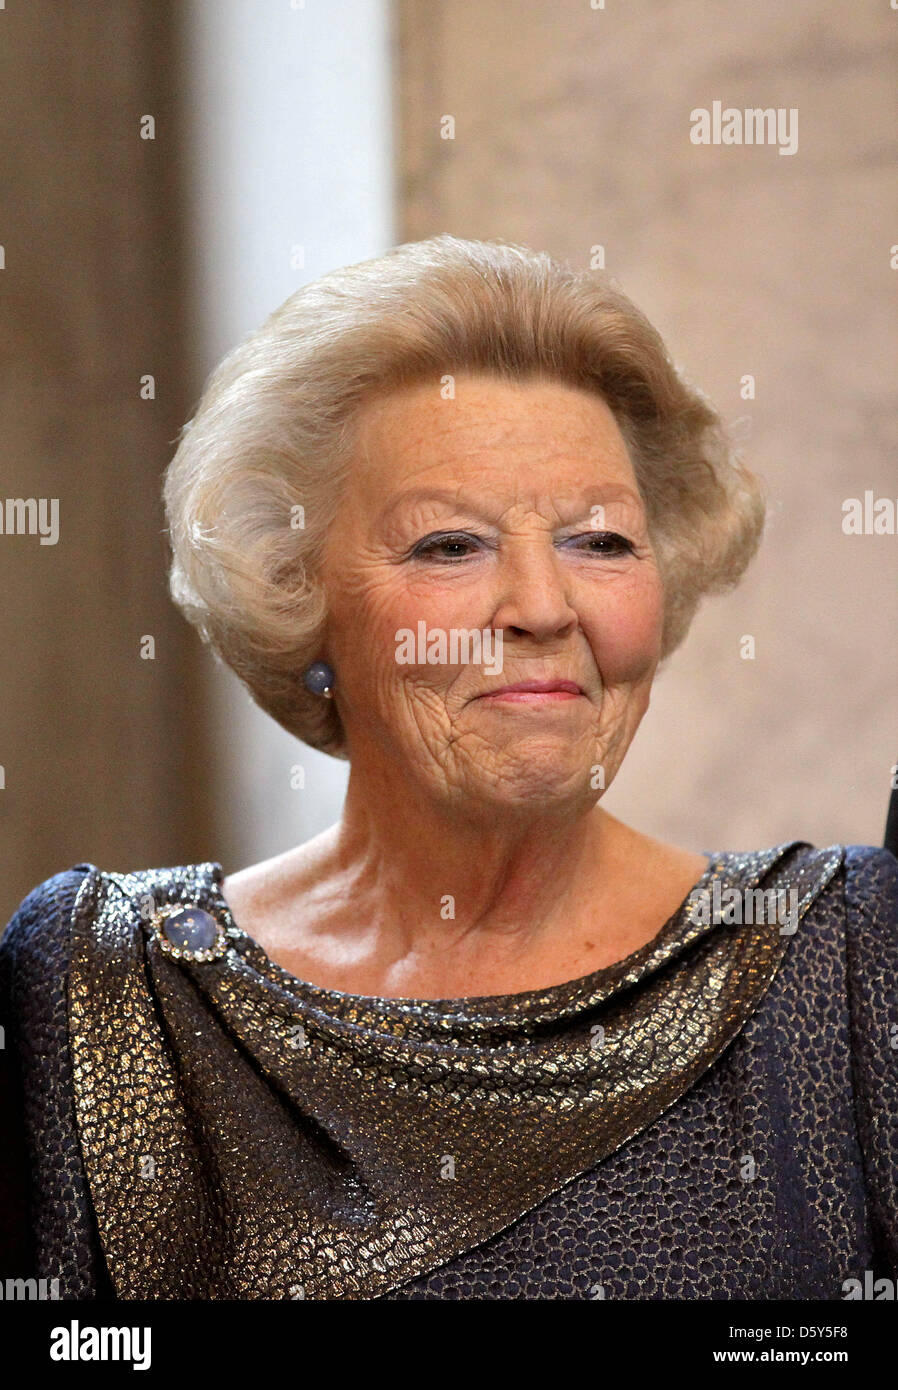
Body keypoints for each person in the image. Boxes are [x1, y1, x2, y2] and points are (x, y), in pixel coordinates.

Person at [2, 235, 895, 1300]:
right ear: (295, 594)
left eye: (600, 541)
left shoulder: (841, 956)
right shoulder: (110, 986)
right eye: (448, 545)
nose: (542, 606)